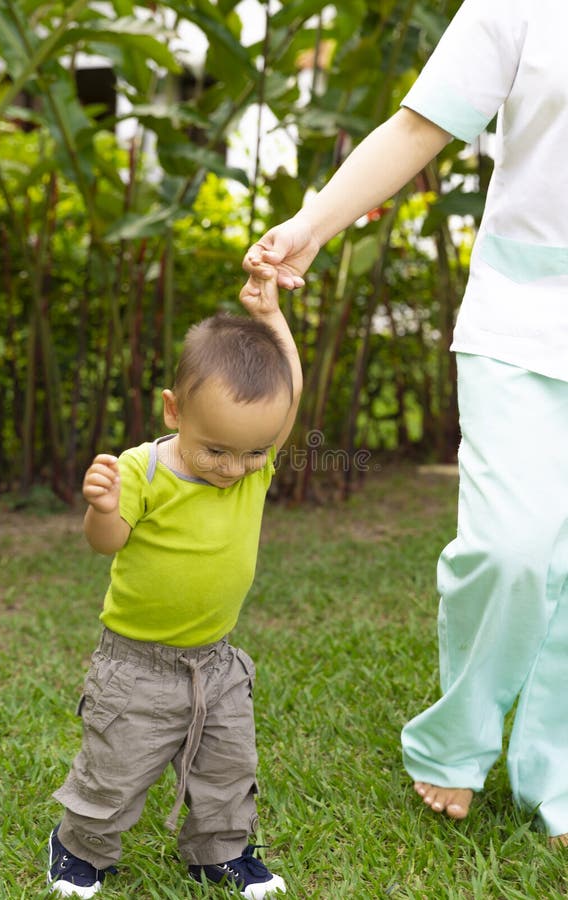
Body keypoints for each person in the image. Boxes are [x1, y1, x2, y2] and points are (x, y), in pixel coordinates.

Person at [243, 0, 568, 844]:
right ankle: (453, 737)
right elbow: (422, 124)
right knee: (512, 548)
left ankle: (555, 769)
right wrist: (312, 226)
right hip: (521, 317)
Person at [47, 264, 301, 898]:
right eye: (217, 450)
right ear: (174, 409)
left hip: (217, 664)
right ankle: (81, 847)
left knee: (228, 769)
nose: (233, 468)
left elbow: (289, 392)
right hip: (135, 666)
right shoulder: (144, 470)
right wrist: (103, 509)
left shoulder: (255, 464)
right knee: (115, 769)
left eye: (253, 453)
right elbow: (107, 544)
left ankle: (219, 852)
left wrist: (272, 320)